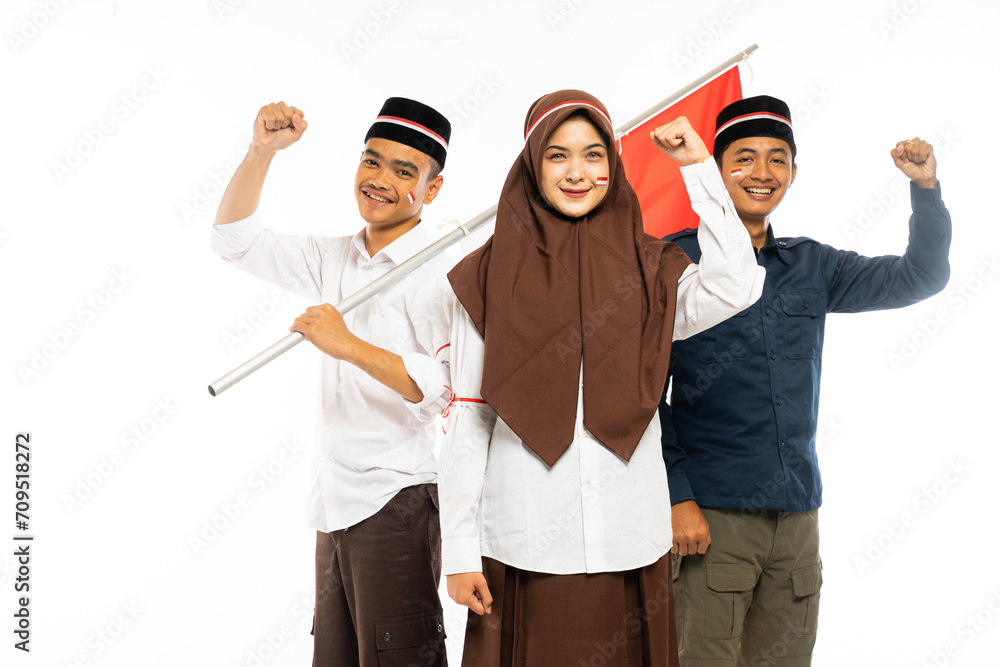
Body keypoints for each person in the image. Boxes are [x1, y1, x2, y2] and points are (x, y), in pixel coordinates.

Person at [439, 89, 766, 666]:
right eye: (557, 156)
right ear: (530, 163)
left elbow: (735, 286)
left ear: (613, 166)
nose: (577, 172)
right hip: (523, 542)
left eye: (594, 155)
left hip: (630, 538)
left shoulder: (652, 266)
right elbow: (468, 414)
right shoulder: (484, 275)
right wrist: (459, 549)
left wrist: (699, 170)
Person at [659, 95, 952, 667]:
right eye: (744, 158)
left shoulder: (814, 266)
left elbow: (923, 276)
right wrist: (677, 497)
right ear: (716, 173)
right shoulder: (673, 262)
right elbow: (645, 395)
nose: (762, 173)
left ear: (794, 172)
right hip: (712, 518)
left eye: (777, 159)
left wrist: (925, 190)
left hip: (796, 521)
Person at [211, 97, 457, 666]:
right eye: (372, 162)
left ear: (432, 189)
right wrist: (260, 152)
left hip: (396, 503)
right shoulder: (336, 258)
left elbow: (442, 390)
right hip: (333, 502)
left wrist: (347, 344)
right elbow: (234, 241)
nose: (380, 180)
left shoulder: (441, 269)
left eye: (404, 171)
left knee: (402, 657)